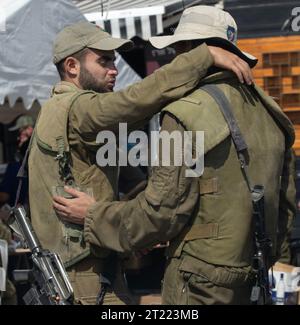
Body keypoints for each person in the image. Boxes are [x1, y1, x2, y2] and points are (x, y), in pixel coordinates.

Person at [53, 7, 296, 305]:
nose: (175, 58)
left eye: (179, 48)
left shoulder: (183, 114)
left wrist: (93, 216)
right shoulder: (273, 114)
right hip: (257, 278)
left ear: (190, 50)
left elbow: (161, 213)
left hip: (200, 285)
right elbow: (284, 209)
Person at [0, 115, 34, 208]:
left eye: (20, 133)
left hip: (19, 216)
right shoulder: (38, 165)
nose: (18, 138)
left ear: (29, 130)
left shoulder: (15, 167)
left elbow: (4, 196)